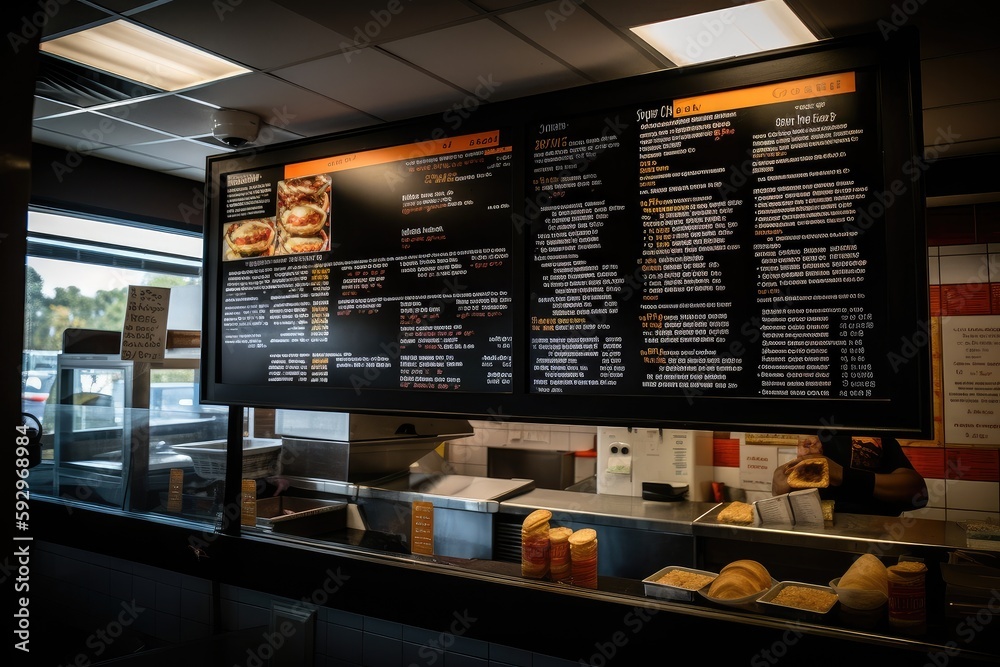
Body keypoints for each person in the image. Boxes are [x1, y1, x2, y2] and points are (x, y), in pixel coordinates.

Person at [771, 434, 928, 516]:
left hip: (875, 537)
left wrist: (841, 475)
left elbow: (917, 492)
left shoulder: (869, 433)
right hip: (815, 536)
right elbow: (778, 487)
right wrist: (790, 475)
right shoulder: (808, 433)